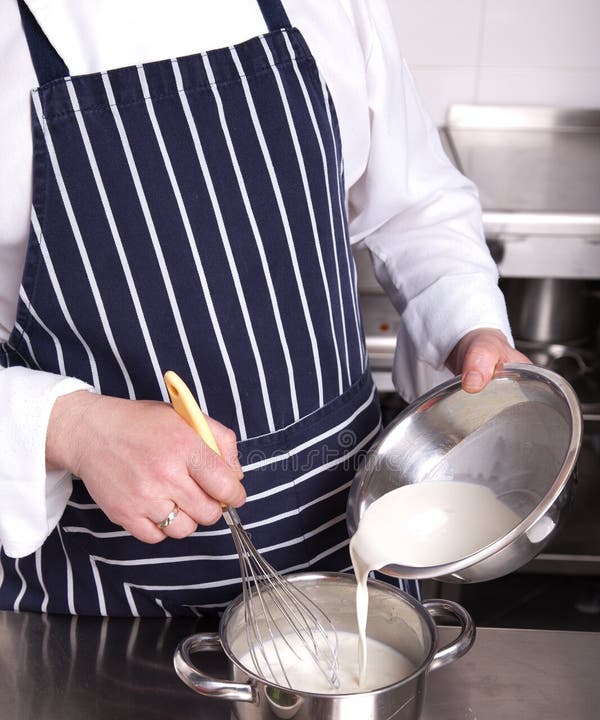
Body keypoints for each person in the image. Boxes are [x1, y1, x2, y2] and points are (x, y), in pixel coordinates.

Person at [0, 0, 528, 617]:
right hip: (105, 605)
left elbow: (413, 204)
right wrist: (72, 428)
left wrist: (469, 323)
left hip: (353, 551)